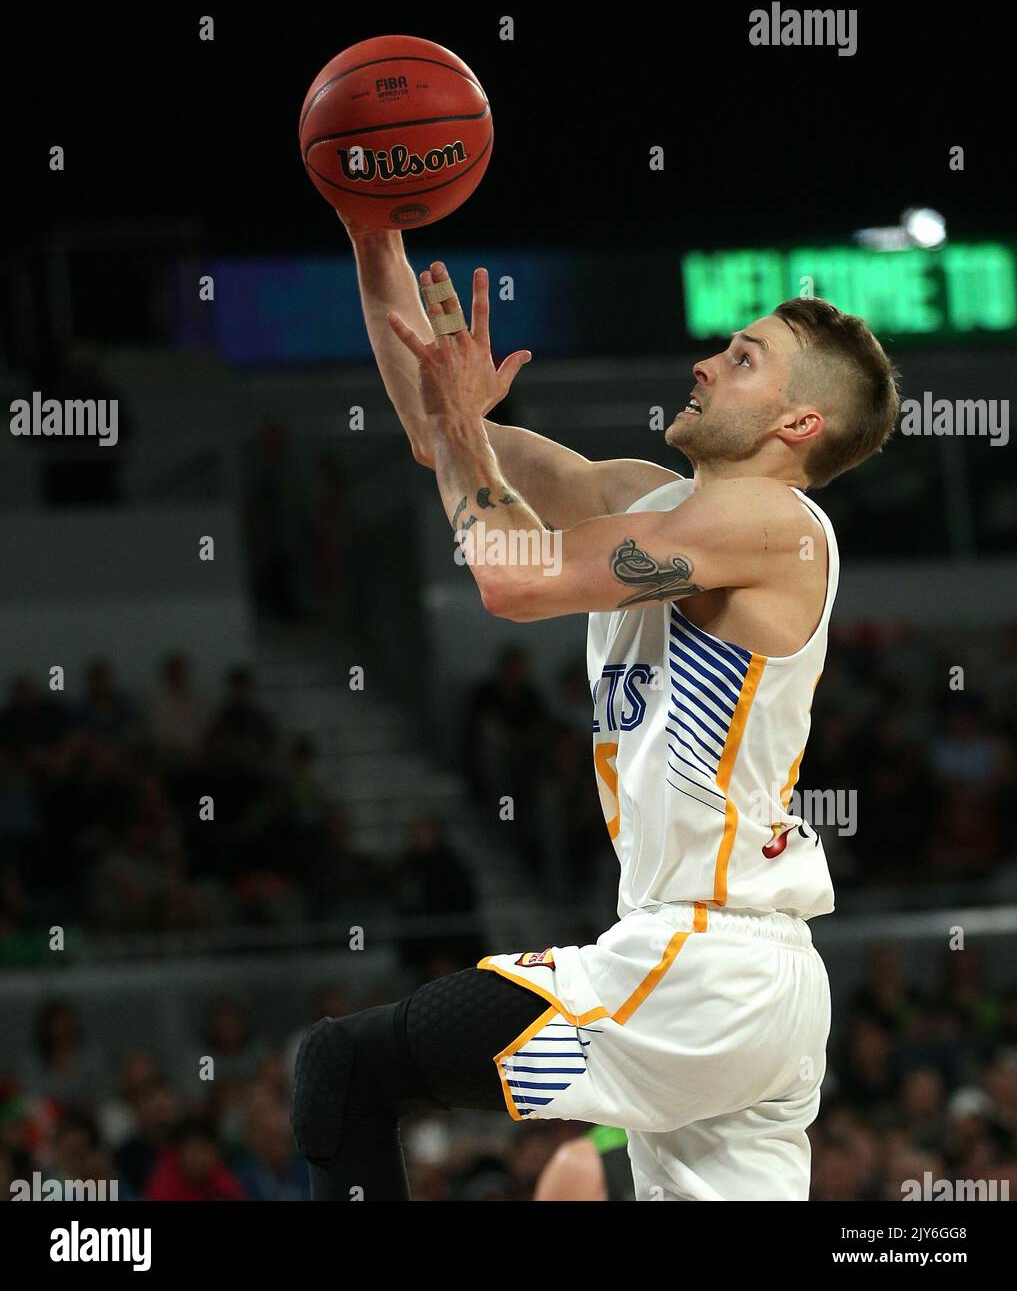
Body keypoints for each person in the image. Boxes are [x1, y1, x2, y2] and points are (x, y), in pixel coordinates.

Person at [290, 221, 901, 1201]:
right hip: (738, 984)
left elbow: (513, 576)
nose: (705, 364)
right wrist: (373, 239)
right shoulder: (652, 502)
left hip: (707, 964)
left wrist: (464, 431)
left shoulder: (775, 525)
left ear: (798, 424)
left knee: (347, 1068)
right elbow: (437, 434)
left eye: (743, 359)